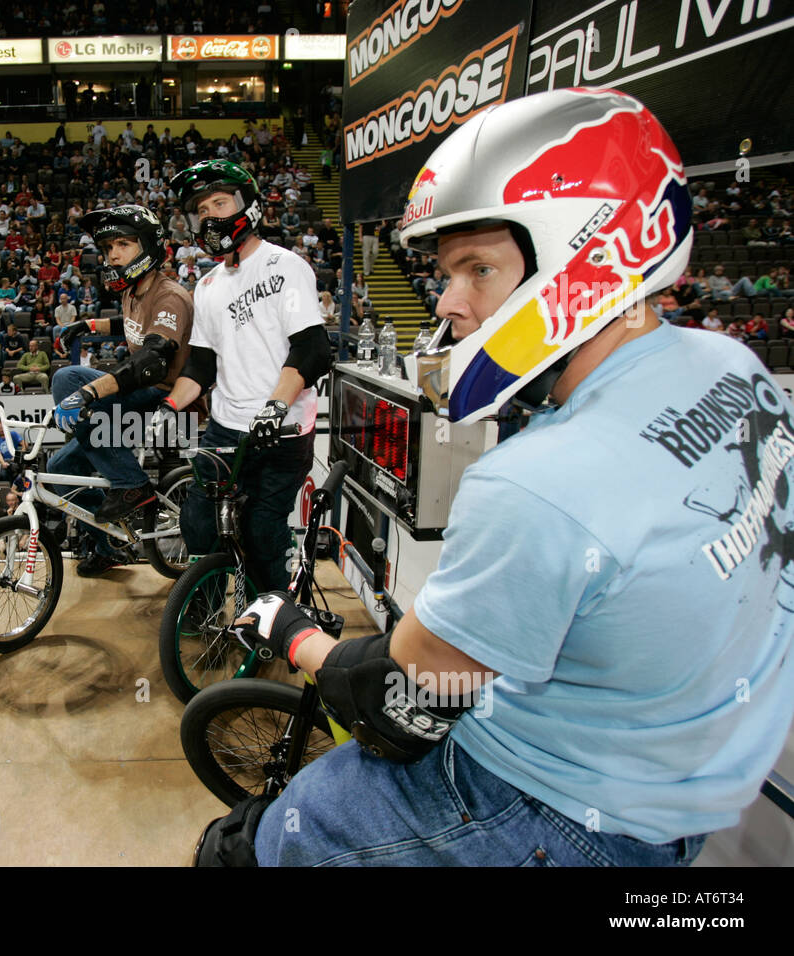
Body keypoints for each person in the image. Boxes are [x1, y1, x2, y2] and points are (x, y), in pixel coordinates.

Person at [203, 88, 794, 869]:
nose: (448, 303)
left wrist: (290, 630)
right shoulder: (731, 364)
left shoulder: (539, 482)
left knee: (260, 842)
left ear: (589, 256)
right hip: (686, 784)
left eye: (478, 269)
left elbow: (393, 697)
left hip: (559, 807)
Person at [159, 158, 329, 592]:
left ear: (248, 207)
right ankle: (207, 608)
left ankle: (270, 625)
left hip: (282, 429)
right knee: (197, 520)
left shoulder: (285, 267)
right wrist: (169, 406)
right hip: (225, 426)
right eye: (202, 210)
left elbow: (311, 349)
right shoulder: (209, 285)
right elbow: (200, 365)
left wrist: (274, 408)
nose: (210, 215)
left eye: (219, 202)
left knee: (261, 532)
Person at [49, 204, 195, 575]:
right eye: (109, 246)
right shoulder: (133, 290)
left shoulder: (170, 296)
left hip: (165, 397)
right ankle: (108, 544)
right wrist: (87, 324)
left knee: (67, 381)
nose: (113, 254)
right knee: (58, 473)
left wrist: (90, 393)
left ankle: (132, 483)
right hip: (138, 394)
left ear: (148, 246)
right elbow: (128, 325)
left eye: (123, 244)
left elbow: (151, 359)